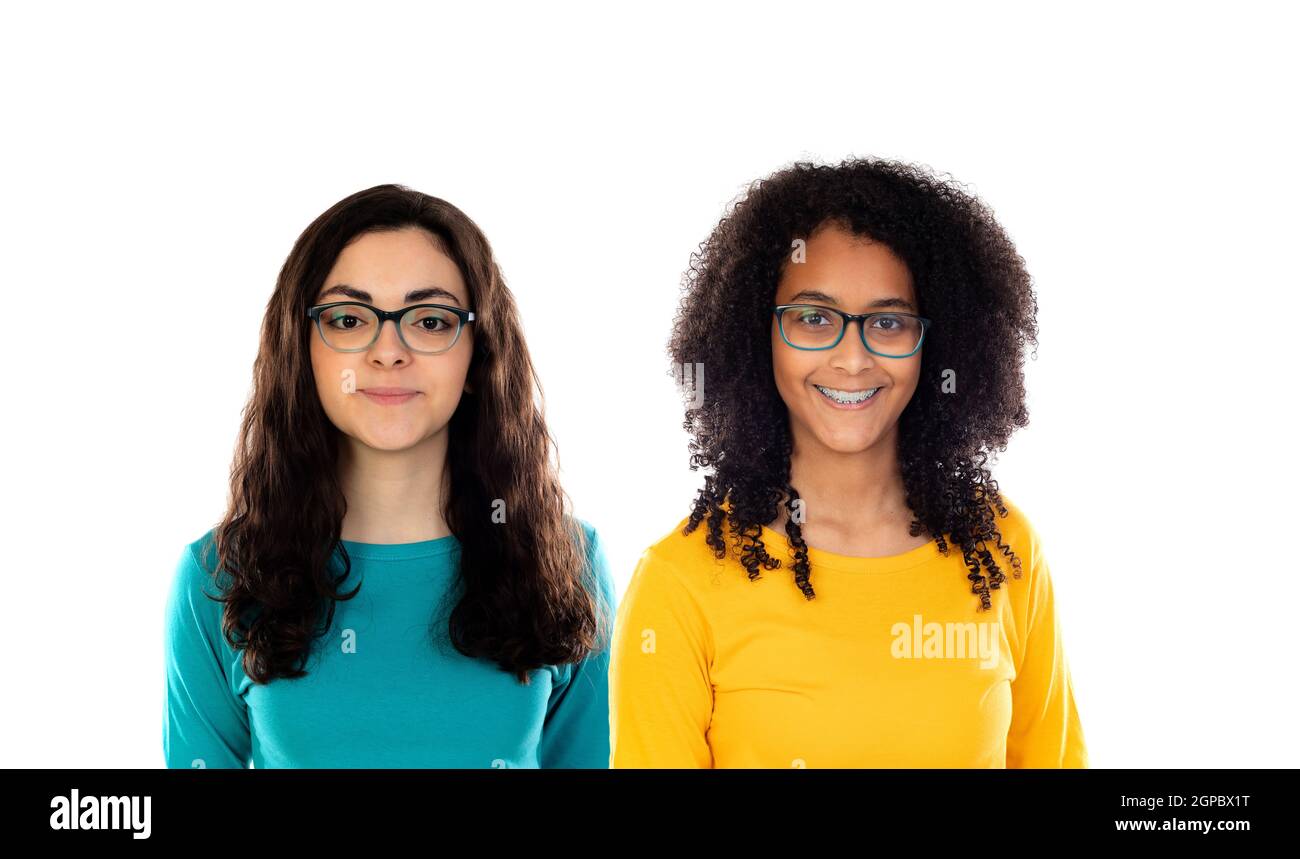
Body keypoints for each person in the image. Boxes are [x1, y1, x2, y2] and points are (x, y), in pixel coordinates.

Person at [610, 158, 1087, 768]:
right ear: (760, 335)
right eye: (814, 318)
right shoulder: (679, 584)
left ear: (935, 342)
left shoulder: (1001, 552)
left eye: (887, 322)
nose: (852, 359)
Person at [164, 184, 614, 768]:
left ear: (478, 357)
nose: (389, 350)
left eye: (429, 320)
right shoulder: (217, 578)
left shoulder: (568, 561)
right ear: (303, 351)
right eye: (349, 319)